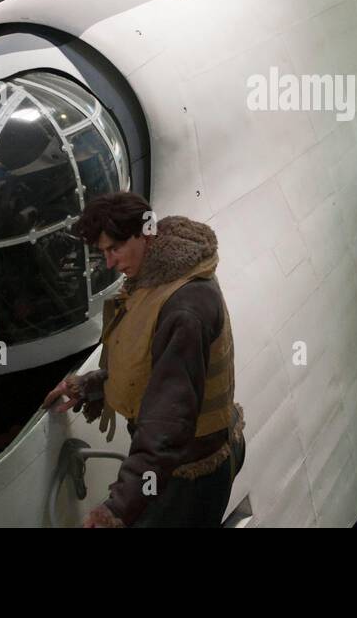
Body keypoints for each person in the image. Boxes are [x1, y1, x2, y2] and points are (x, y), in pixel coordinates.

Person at [42, 192, 244, 528]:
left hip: (191, 477)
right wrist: (92, 386)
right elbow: (150, 363)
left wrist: (117, 508)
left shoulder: (184, 308)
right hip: (180, 464)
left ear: (144, 233)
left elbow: (168, 424)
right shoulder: (158, 277)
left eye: (114, 248)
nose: (108, 262)